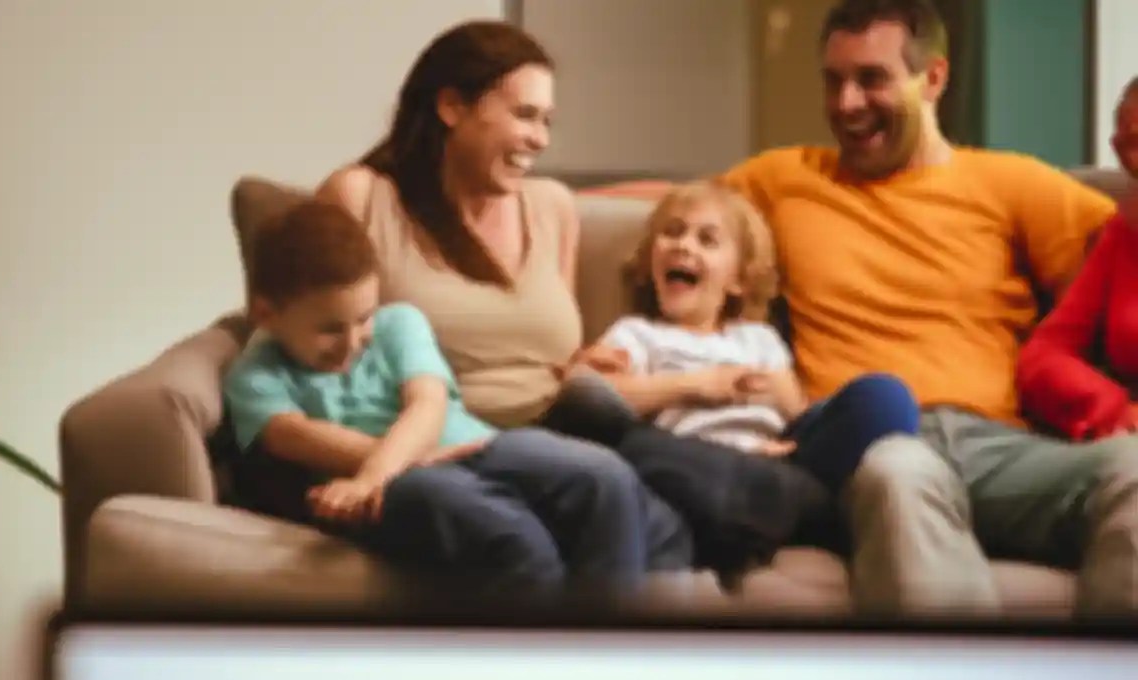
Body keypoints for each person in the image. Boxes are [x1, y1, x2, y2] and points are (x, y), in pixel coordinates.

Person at [314, 19, 841, 583]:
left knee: (657, 518)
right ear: (451, 107)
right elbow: (305, 357)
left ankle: (769, 496)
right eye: (523, 115)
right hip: (436, 444)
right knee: (586, 504)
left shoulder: (551, 206)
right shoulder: (363, 198)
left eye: (546, 121)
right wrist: (383, 460)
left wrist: (585, 365)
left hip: (556, 435)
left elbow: (556, 357)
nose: (540, 139)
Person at [703, 0, 1133, 616]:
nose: (846, 104)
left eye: (871, 79)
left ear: (932, 78)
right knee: (899, 474)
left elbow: (1124, 253)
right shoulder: (784, 179)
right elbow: (676, 214)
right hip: (880, 438)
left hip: (1004, 448)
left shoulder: (1013, 184)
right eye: (833, 80)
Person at [222, 200, 650, 596]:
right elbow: (295, 437)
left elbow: (427, 404)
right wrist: (386, 473)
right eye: (330, 329)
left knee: (607, 478)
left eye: (363, 318)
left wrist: (380, 469)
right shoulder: (255, 375)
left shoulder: (398, 324)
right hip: (401, 487)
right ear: (266, 314)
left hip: (476, 446)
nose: (353, 342)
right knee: (515, 541)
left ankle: (608, 658)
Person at [595, 180, 920, 492]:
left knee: (886, 398)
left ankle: (788, 493)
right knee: (645, 452)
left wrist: (776, 395)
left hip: (780, 462)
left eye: (707, 240)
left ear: (738, 279)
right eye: (672, 232)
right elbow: (597, 395)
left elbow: (795, 414)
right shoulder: (638, 334)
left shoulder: (758, 338)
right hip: (696, 467)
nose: (684, 244)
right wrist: (699, 386)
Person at [1017, 77, 1138, 441]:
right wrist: (1114, 410)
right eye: (1134, 143)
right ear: (1119, 151)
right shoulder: (1124, 233)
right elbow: (1044, 356)